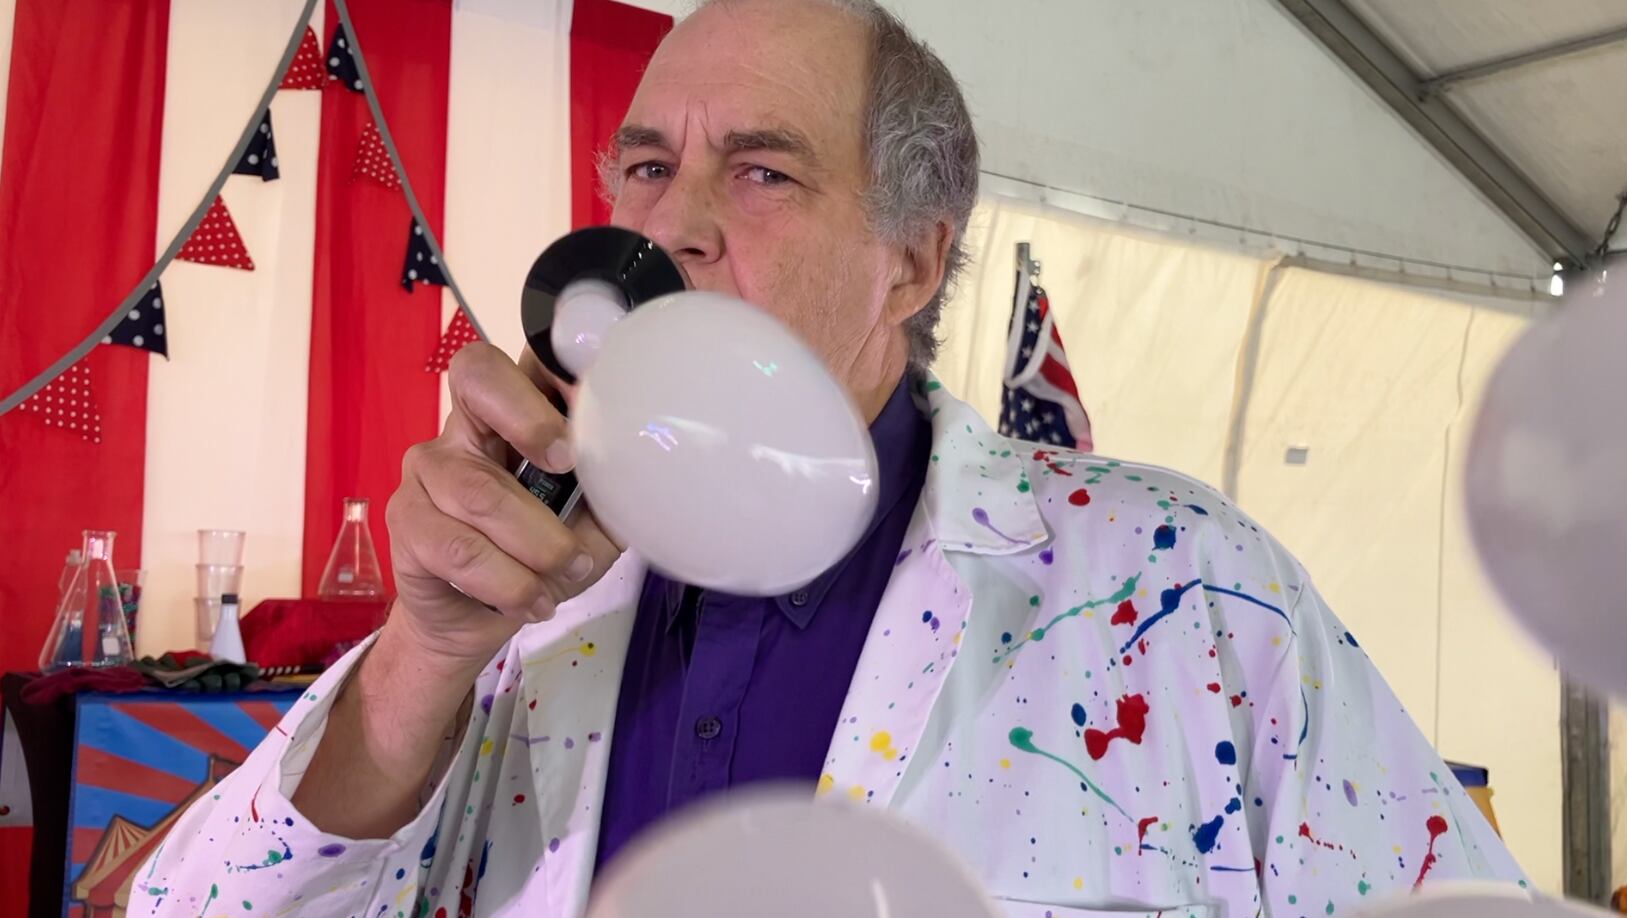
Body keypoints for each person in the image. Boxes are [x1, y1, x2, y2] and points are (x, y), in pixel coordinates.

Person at [131, 0, 1527, 914]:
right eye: (645, 167)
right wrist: (420, 656)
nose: (668, 227)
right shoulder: (519, 600)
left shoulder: (1179, 589)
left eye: (762, 172)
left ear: (910, 260)